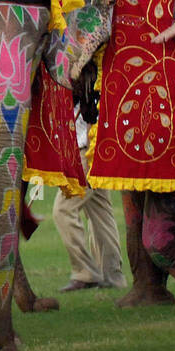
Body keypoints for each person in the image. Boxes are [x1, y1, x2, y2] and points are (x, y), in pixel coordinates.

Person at [53, 114, 126, 291]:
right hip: (96, 148)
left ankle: (85, 273)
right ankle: (112, 276)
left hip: (87, 151)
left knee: (63, 210)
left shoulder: (79, 85)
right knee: (100, 213)